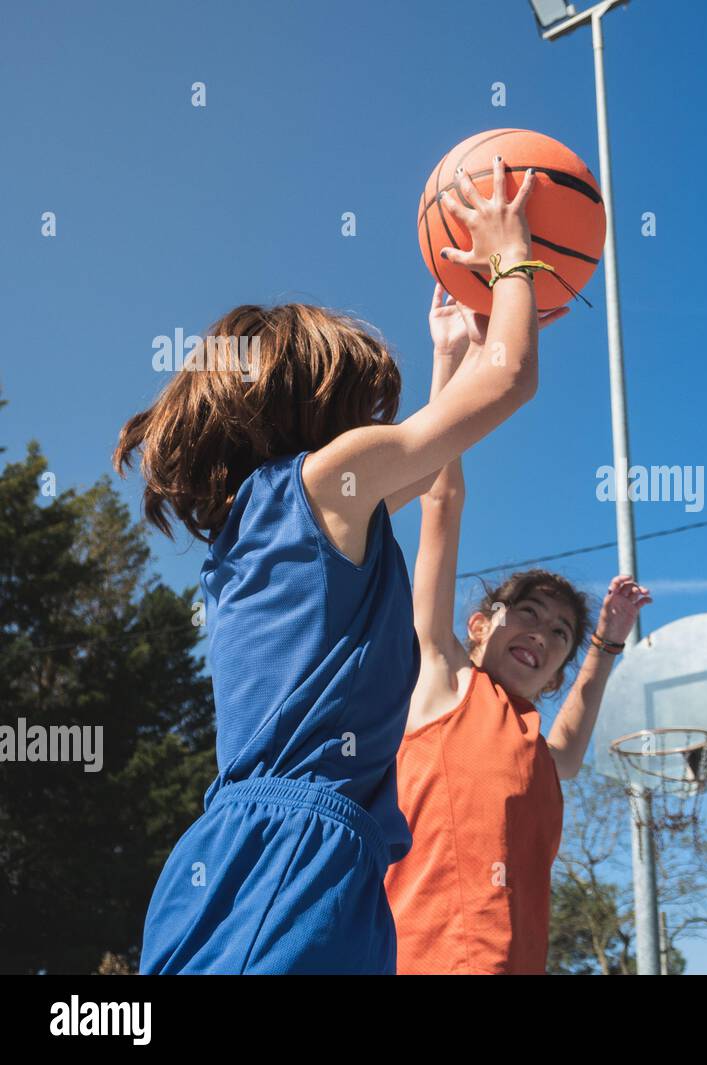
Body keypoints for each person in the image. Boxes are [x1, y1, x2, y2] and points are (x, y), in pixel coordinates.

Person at [123, 158, 556, 973]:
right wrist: (511, 259)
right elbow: (514, 380)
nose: (377, 422)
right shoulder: (327, 481)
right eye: (366, 405)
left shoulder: (274, 523)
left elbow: (430, 465)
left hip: (292, 851)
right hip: (291, 849)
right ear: (320, 401)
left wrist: (448, 355)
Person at [383, 291, 651, 974]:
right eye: (525, 611)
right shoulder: (443, 680)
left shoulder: (539, 752)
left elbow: (572, 737)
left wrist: (606, 643)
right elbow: (441, 501)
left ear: (556, 673)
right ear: (479, 625)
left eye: (561, 632)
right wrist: (449, 354)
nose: (543, 630)